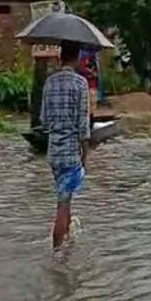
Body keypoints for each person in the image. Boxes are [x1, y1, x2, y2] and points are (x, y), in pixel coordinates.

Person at [39, 41, 91, 249]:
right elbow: (83, 125)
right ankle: (58, 250)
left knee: (64, 198)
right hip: (71, 152)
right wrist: (85, 154)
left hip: (53, 152)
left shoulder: (49, 82)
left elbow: (43, 120)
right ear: (77, 58)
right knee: (62, 204)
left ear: (61, 57)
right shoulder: (80, 84)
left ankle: (66, 243)